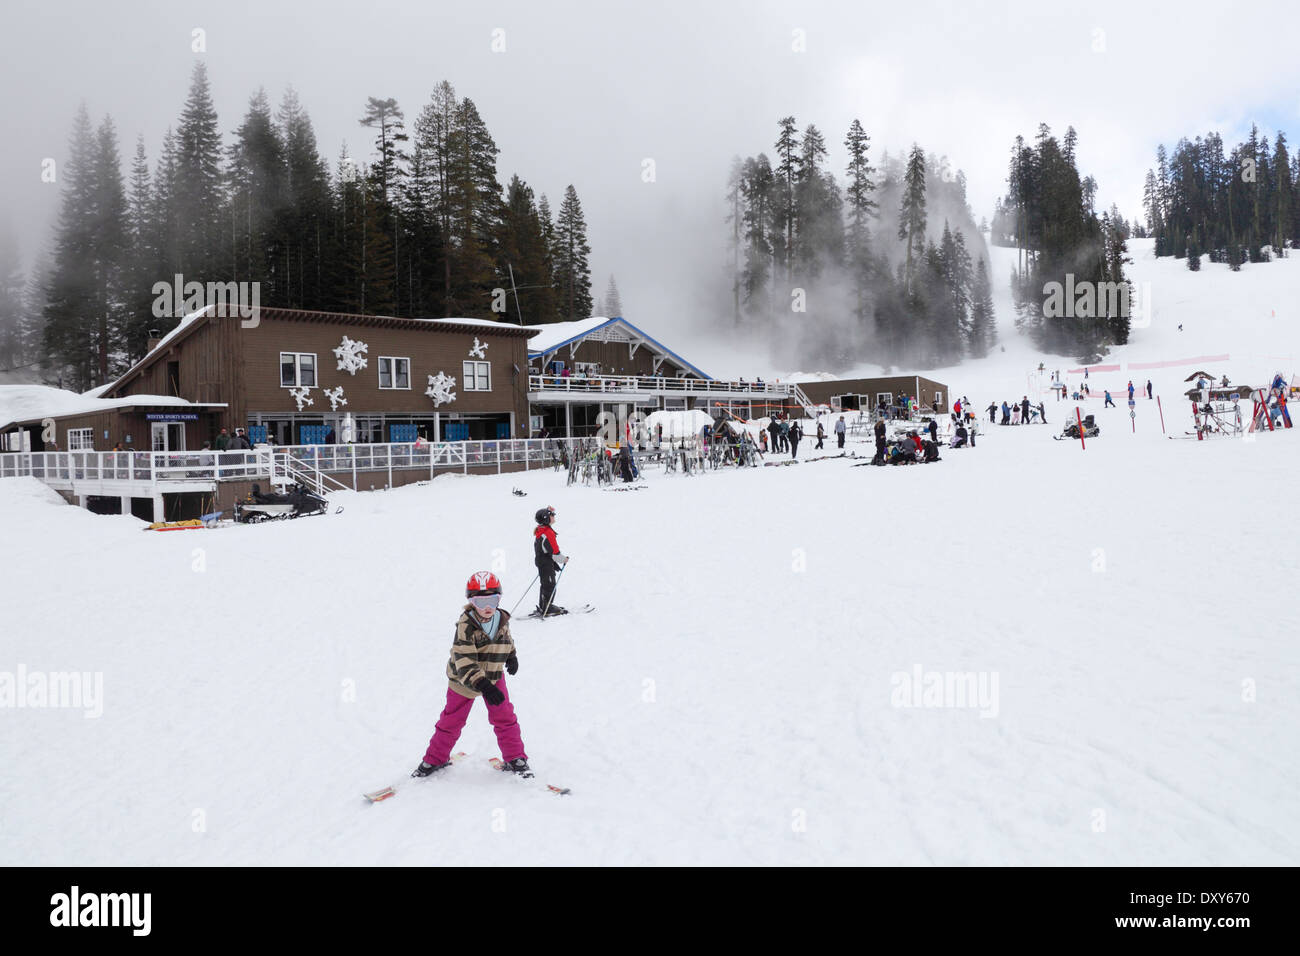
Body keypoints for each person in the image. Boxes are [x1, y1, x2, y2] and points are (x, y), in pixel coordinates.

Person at [413, 571, 529, 778]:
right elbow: (464, 659)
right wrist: (482, 684)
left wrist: (512, 656)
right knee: (452, 720)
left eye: (492, 600)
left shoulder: (501, 619)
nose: (487, 607)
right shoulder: (466, 626)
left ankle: (515, 758)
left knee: (505, 717)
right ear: (471, 601)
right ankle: (434, 759)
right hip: (464, 681)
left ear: (499, 599)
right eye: (480, 601)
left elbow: (507, 639)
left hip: (493, 675)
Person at [533, 507, 568, 616]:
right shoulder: (548, 533)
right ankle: (547, 607)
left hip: (543, 561)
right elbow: (554, 552)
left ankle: (544, 605)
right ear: (546, 519)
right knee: (549, 585)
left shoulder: (541, 530)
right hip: (545, 563)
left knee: (545, 584)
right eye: (552, 515)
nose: (554, 516)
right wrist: (564, 559)